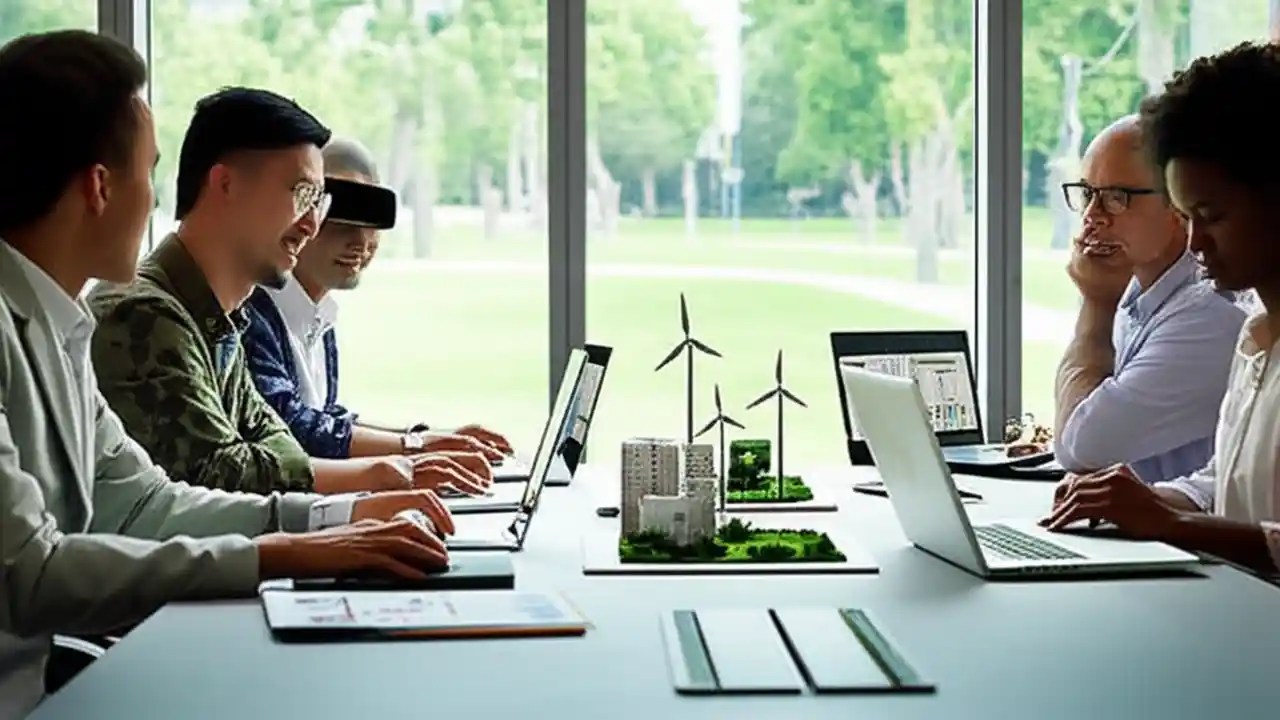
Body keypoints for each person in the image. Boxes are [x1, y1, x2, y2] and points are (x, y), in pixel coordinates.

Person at [0, 30, 455, 718]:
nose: (155, 202)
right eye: (147, 173)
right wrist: (289, 553)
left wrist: (342, 519)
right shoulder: (97, 317)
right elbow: (29, 576)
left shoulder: (62, 324)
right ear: (99, 186)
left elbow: (149, 502)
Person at [88, 87, 489, 498]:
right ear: (226, 184)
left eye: (318, 201)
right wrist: (390, 474)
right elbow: (220, 476)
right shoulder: (144, 314)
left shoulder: (219, 318)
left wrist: (399, 471)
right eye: (302, 195)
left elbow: (277, 443)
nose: (311, 224)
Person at [1043, 41, 1280, 575]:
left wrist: (1174, 524)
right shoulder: (1256, 340)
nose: (1195, 243)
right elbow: (1229, 483)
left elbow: (1085, 443)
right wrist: (1148, 503)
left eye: (1210, 216)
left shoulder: (1219, 316)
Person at [242, 137, 512, 460]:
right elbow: (290, 428)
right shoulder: (251, 314)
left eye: (373, 222)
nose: (361, 241)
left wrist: (433, 438)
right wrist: (416, 449)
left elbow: (327, 419)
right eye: (341, 218)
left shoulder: (318, 314)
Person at [1052, 114, 1244, 484]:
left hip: (1186, 541)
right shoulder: (1141, 292)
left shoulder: (1209, 314)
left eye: (1115, 198)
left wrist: (1095, 308)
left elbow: (1081, 448)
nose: (1092, 217)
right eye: (1087, 194)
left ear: (1179, 206)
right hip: (1138, 534)